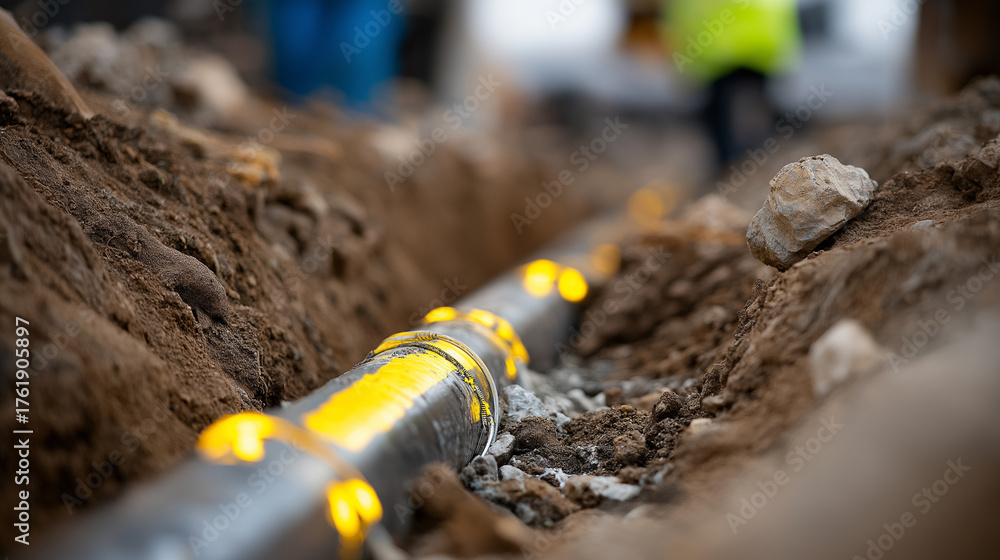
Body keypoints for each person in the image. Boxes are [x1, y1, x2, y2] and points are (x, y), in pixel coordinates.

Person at [663, 0, 802, 164]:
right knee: (758, 112)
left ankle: (733, 165)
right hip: (761, 46)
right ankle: (759, 165)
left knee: (724, 117)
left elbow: (684, 16)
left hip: (722, 53)